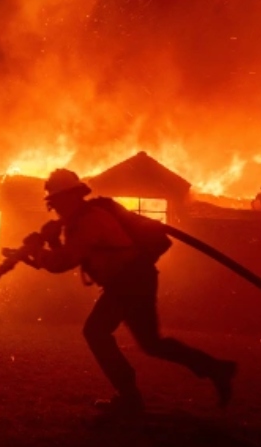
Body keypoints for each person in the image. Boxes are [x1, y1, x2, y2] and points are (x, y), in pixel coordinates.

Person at [26, 168, 237, 416]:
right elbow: (69, 256)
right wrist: (51, 242)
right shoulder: (81, 220)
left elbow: (62, 263)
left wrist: (37, 250)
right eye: (53, 203)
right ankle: (216, 369)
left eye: (57, 201)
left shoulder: (89, 220)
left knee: (96, 332)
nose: (56, 208)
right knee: (151, 343)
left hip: (129, 281)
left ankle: (129, 398)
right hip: (134, 279)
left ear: (72, 196)